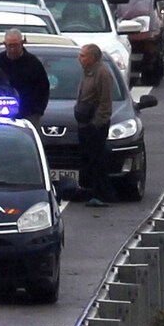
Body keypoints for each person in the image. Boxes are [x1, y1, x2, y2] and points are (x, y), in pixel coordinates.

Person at [72, 42, 115, 205]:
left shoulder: (102, 74)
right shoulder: (87, 72)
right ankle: (90, 192)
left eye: (83, 56)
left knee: (97, 160)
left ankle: (102, 195)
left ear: (92, 57)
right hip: (84, 124)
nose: (79, 59)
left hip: (95, 126)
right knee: (88, 160)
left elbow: (105, 102)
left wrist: (96, 123)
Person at [0, 28, 51, 120]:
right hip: (0, 114)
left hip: (28, 114)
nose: (13, 49)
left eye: (16, 45)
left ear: (22, 43)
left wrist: (37, 111)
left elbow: (43, 88)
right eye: (10, 45)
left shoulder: (33, 63)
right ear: (5, 44)